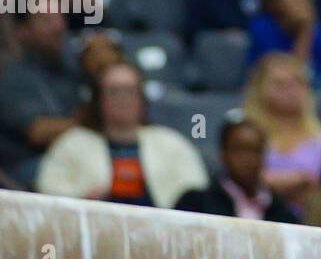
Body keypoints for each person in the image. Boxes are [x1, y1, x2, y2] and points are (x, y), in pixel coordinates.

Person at [37, 61, 207, 209]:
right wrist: (84, 199)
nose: (122, 99)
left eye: (129, 90)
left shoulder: (171, 143)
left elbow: (196, 194)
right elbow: (48, 194)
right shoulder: (72, 143)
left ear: (141, 97)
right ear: (99, 98)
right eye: (113, 91)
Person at [242, 52, 321, 211]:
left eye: (297, 83)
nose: (290, 90)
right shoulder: (247, 135)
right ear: (260, 88)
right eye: (280, 84)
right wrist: (296, 180)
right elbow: (238, 177)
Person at [0, 9, 80, 183]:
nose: (58, 26)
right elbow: (39, 132)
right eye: (46, 20)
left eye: (60, 17)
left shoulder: (74, 68)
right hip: (27, 165)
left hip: (73, 157)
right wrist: (94, 124)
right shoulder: (13, 75)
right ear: (23, 31)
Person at [174, 119, 300, 223]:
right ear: (223, 154)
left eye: (256, 151)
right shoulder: (196, 204)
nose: (249, 159)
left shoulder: (282, 211)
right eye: (240, 150)